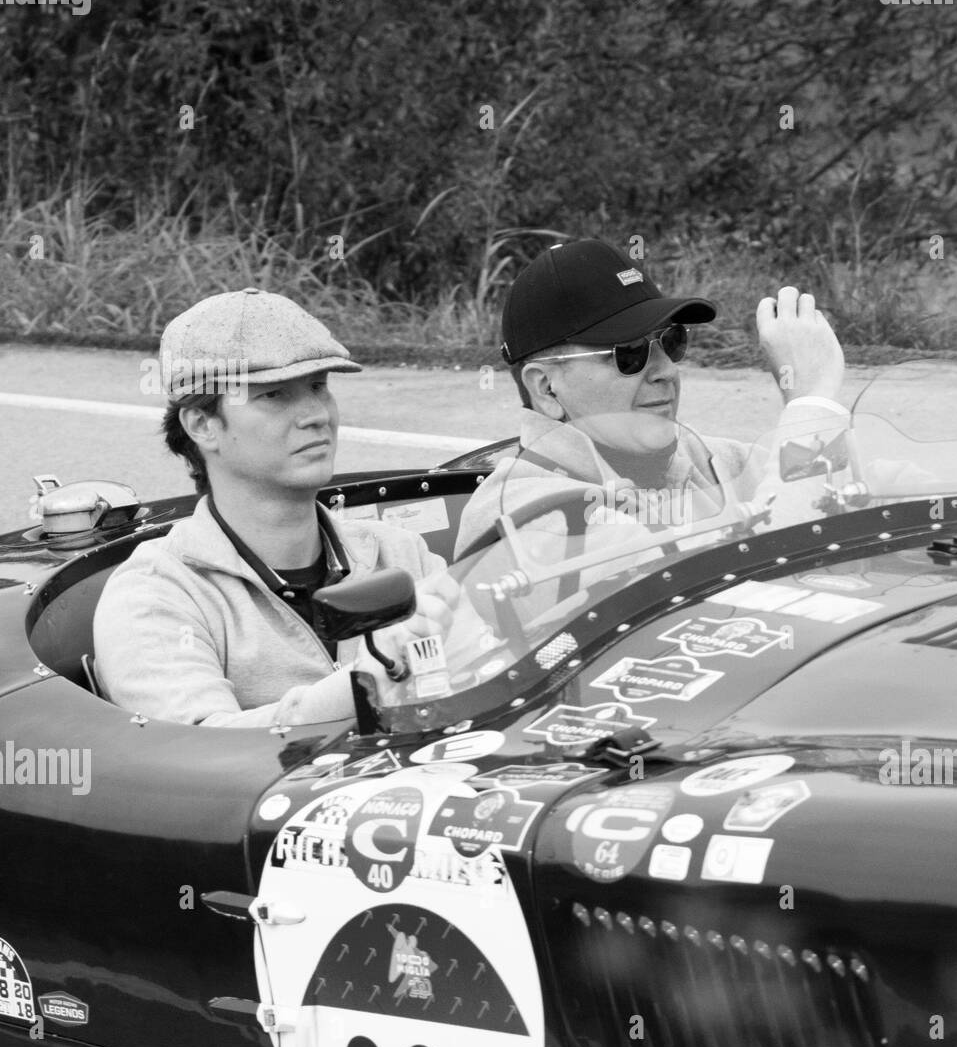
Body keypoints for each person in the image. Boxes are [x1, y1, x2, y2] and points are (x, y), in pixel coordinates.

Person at [94, 288, 483, 727]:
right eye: (275, 395)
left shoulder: (401, 554)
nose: (317, 415)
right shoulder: (155, 593)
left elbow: (490, 677)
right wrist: (368, 681)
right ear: (202, 424)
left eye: (319, 387)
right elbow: (201, 744)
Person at [453, 238, 849, 561]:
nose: (666, 370)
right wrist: (810, 406)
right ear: (546, 389)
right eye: (628, 353)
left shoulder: (699, 459)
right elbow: (744, 584)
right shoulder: (530, 515)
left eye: (671, 342)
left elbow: (857, 491)